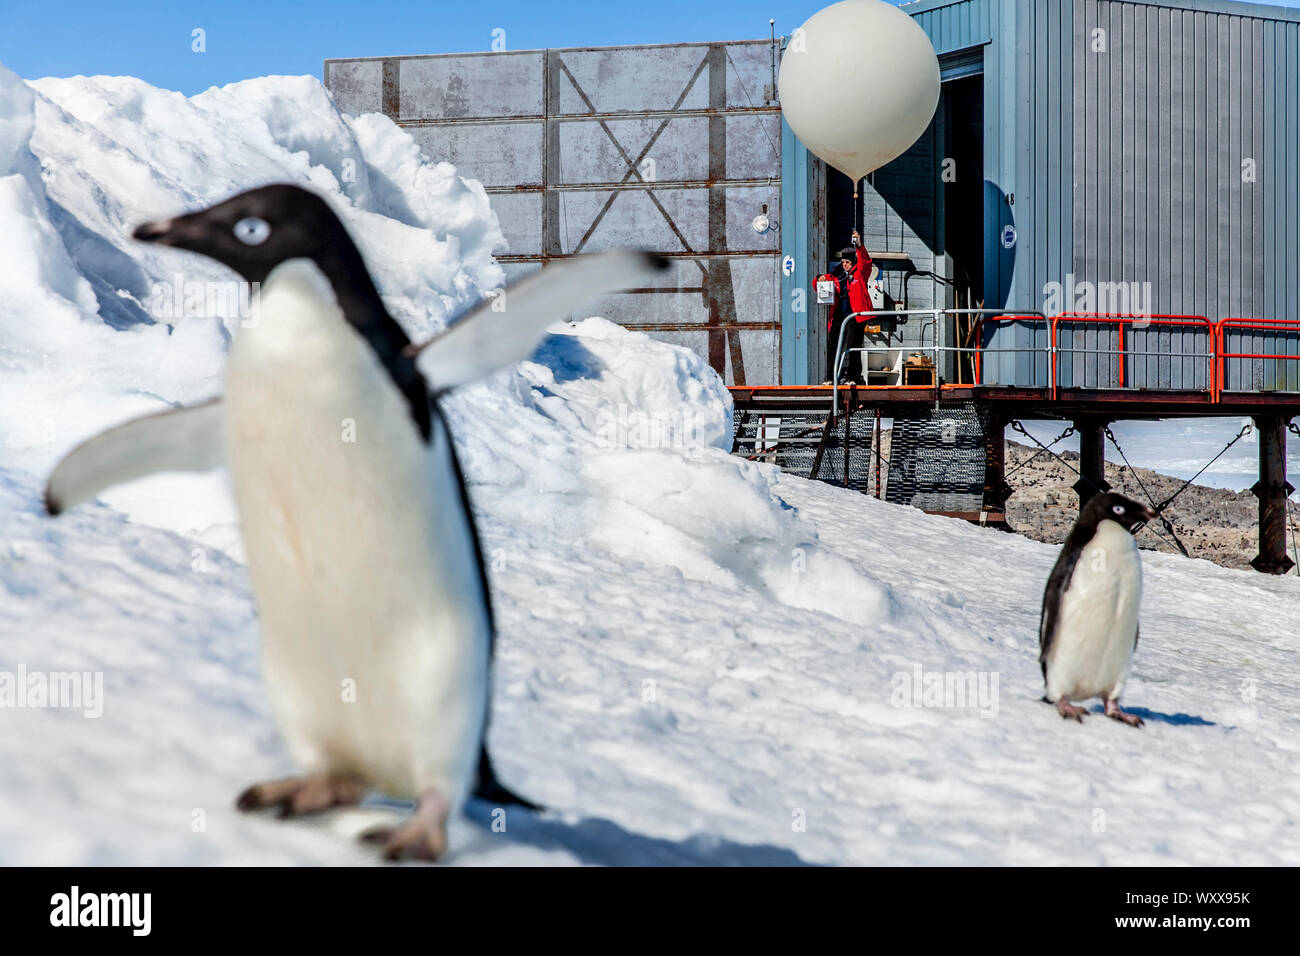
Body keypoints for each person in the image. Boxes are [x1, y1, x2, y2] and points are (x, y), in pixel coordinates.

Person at [825, 230, 875, 385]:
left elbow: (866, 263)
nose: (844, 264)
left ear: (853, 262)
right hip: (840, 316)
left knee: (853, 345)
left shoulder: (859, 273)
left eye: (847, 262)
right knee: (833, 344)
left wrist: (859, 245)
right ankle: (830, 377)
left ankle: (853, 376)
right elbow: (820, 283)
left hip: (856, 315)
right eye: (843, 262)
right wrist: (819, 278)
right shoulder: (838, 275)